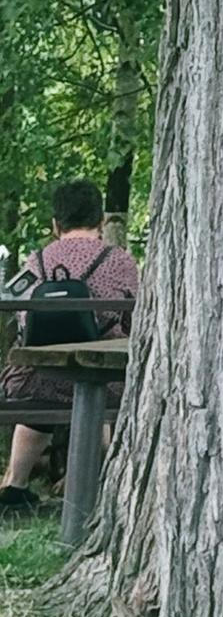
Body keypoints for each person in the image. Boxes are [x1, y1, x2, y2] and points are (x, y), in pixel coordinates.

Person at [0, 180, 138, 513]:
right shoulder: (120, 262)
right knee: (94, 384)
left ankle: (15, 487)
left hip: (35, 381)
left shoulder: (37, 262)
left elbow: (21, 322)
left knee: (44, 383)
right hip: (104, 382)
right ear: (101, 221)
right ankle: (101, 483)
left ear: (56, 225)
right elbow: (136, 324)